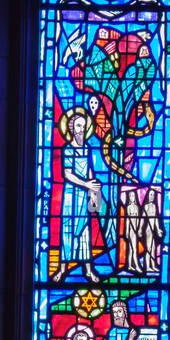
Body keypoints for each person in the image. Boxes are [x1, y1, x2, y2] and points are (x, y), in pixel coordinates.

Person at [58, 107, 104, 281]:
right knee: (67, 229)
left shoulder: (87, 149)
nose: (81, 130)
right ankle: (63, 268)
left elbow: (90, 171)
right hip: (71, 194)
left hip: (84, 194)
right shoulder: (68, 150)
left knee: (85, 231)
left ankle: (88, 269)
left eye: (83, 126)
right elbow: (67, 174)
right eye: (78, 126)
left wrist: (94, 189)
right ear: (71, 128)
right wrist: (86, 184)